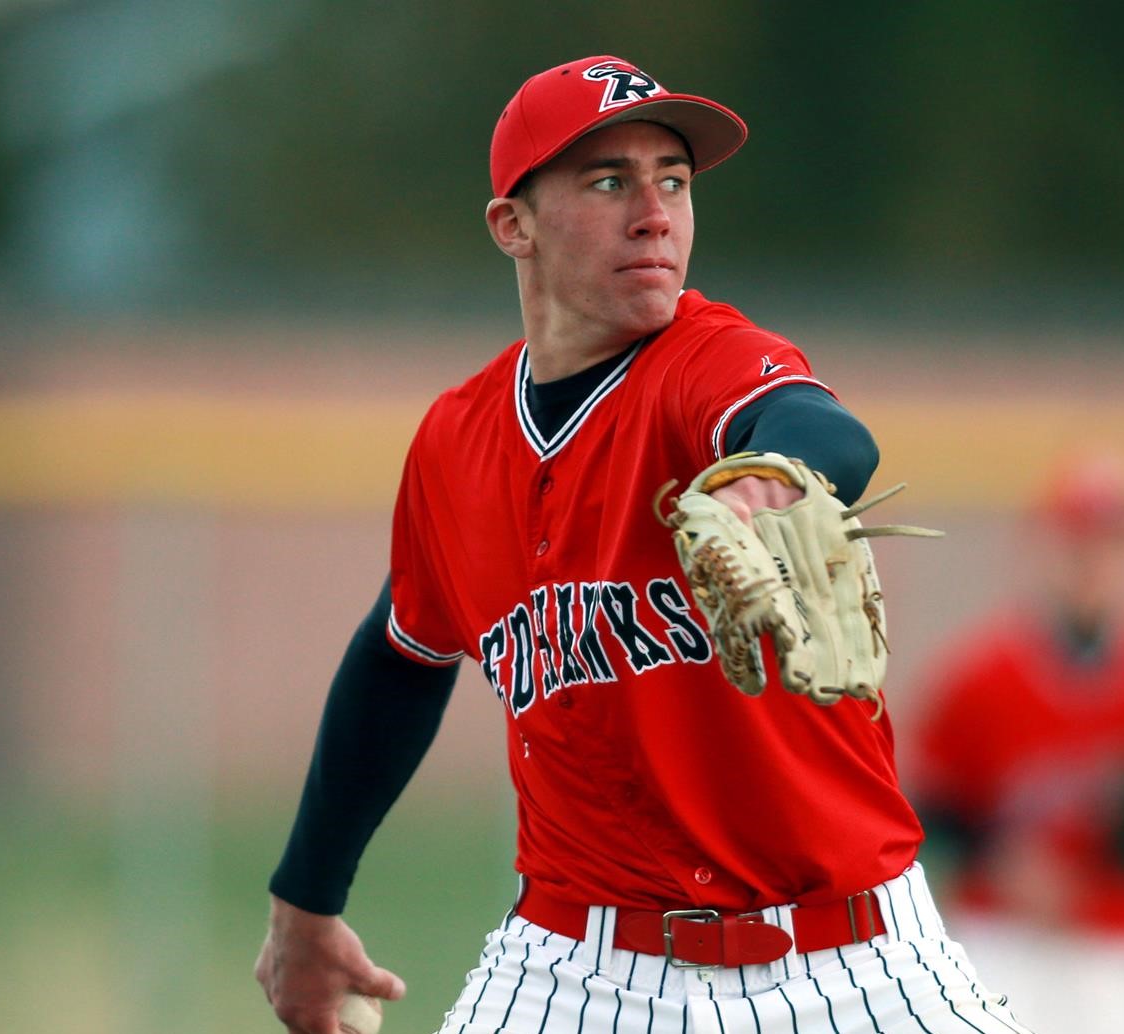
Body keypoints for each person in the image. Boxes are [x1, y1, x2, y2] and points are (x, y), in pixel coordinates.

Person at [254, 56, 1031, 1034]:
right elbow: (400, 657)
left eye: (673, 179)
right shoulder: (456, 443)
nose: (655, 211)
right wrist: (305, 902)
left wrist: (767, 481)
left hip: (853, 960)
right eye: (608, 180)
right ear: (513, 224)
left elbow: (821, 429)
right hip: (577, 968)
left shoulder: (703, 362)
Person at [913, 447, 1124, 1034]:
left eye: (1121, 544)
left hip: (1117, 948)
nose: (1098, 561)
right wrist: (995, 854)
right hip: (998, 937)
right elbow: (926, 808)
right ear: (1046, 546)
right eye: (1080, 539)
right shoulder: (979, 673)